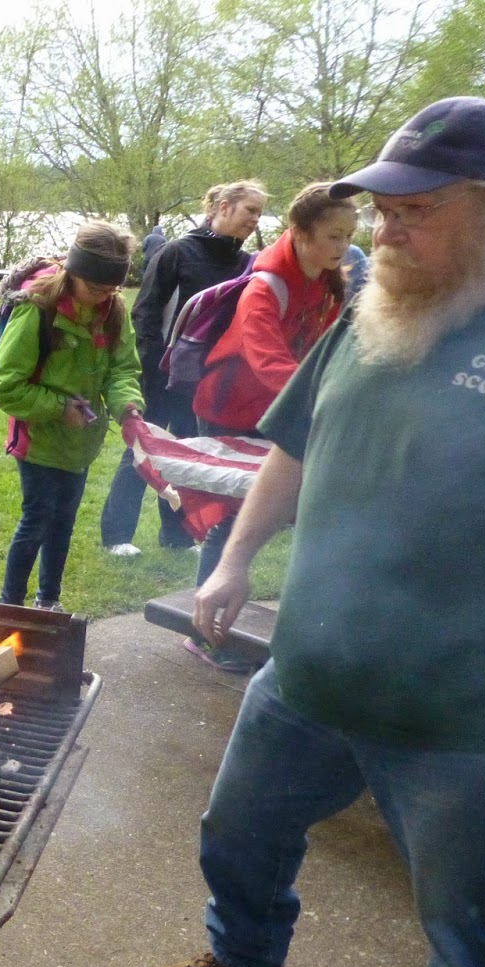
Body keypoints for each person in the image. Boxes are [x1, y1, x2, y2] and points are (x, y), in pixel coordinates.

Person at [148, 96, 485, 967]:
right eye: (376, 207)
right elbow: (296, 446)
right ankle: (245, 953)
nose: (382, 228)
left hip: (456, 717)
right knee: (241, 828)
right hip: (311, 671)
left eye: (414, 208)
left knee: (471, 933)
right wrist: (229, 564)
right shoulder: (374, 308)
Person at [183, 182, 357, 672]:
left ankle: (285, 625)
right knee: (233, 517)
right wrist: (319, 400)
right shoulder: (266, 285)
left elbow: (324, 349)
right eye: (333, 236)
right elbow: (267, 360)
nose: (342, 247)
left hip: (277, 410)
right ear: (299, 233)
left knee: (286, 510)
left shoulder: (325, 278)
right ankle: (206, 631)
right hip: (230, 407)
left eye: (348, 236)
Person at [100, 180, 266, 556]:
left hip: (208, 380)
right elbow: (145, 312)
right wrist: (156, 367)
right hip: (162, 374)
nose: (255, 220)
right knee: (143, 449)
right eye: (249, 210)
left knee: (190, 455)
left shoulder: (245, 263)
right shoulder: (177, 252)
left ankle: (176, 534)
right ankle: (117, 536)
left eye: (258, 213)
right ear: (223, 207)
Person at [0, 222, 143, 609]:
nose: (104, 297)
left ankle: (48, 603)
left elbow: (122, 369)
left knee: (63, 526)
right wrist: (61, 409)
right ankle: (10, 605)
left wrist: (128, 406)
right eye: (96, 288)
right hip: (40, 442)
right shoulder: (36, 310)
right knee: (36, 524)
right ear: (73, 272)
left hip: (82, 445)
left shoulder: (113, 309)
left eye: (112, 289)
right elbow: (6, 386)